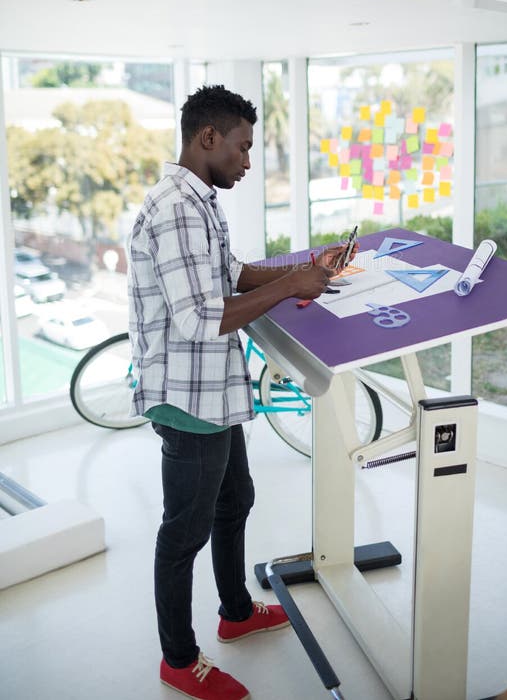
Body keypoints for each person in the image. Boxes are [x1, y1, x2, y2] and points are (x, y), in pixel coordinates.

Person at [127, 84, 345, 700]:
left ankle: (236, 614)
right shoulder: (174, 209)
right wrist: (290, 285)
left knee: (236, 498)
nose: (249, 164)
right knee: (183, 533)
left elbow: (232, 275)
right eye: (244, 149)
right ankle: (178, 659)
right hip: (186, 398)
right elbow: (198, 317)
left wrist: (305, 272)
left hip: (213, 392)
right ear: (208, 138)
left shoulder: (201, 201)